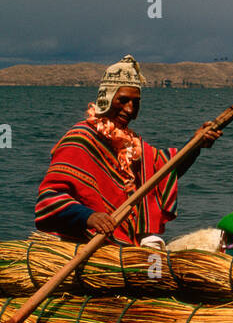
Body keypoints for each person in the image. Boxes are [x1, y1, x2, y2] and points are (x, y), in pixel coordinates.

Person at [34, 55, 221, 246]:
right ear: (106, 98)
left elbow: (164, 171)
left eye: (135, 102)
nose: (130, 109)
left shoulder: (132, 144)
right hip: (84, 243)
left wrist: (196, 144)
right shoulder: (80, 139)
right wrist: (89, 217)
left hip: (123, 244)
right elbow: (50, 198)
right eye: (123, 100)